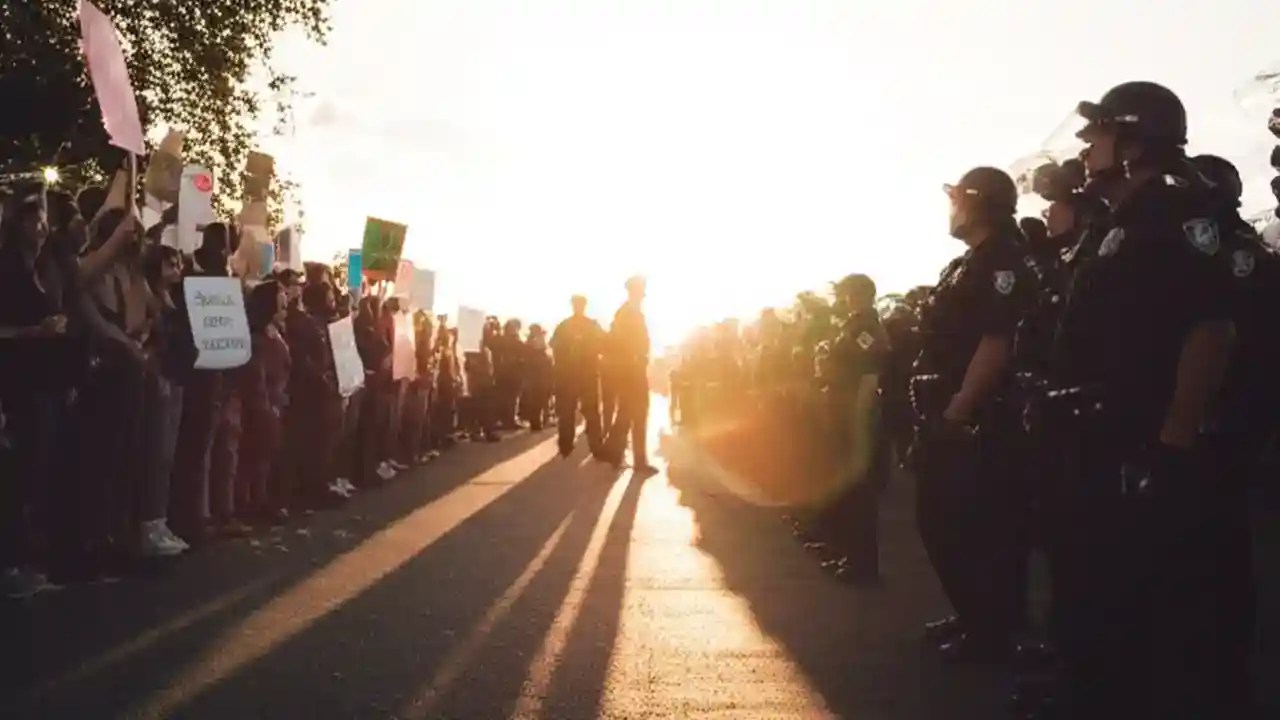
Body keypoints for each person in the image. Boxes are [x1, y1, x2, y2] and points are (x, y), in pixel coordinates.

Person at [1045, 81, 1234, 719]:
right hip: (1094, 435)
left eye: (1098, 132)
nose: (1087, 145)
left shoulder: (1174, 210)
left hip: (1139, 438)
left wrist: (1174, 446)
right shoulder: (1121, 216)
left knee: (1136, 602)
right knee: (1088, 589)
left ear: (1132, 138)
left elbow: (1209, 328)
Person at [910, 166, 1035, 663]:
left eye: (957, 198)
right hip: (951, 413)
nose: (951, 208)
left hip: (981, 420)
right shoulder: (971, 261)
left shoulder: (1003, 260)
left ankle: (994, 633)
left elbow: (996, 341)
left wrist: (959, 411)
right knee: (945, 523)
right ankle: (976, 617)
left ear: (977, 203)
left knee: (977, 528)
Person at [814, 273, 891, 585]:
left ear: (860, 295)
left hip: (853, 416)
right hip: (839, 411)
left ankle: (863, 565)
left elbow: (870, 374)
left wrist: (858, 419)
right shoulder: (852, 323)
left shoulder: (868, 327)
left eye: (848, 294)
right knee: (844, 493)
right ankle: (847, 553)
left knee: (859, 495)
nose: (844, 299)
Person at [599, 276, 656, 473]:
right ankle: (632, 458)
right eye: (640, 291)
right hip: (630, 371)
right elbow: (623, 344)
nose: (642, 295)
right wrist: (636, 356)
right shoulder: (627, 314)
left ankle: (614, 451)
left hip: (629, 370)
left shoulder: (628, 313)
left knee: (628, 412)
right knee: (637, 412)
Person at [550, 295, 606, 457]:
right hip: (576, 375)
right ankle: (577, 446)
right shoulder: (582, 325)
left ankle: (575, 446)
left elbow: (603, 345)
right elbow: (604, 344)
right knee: (575, 412)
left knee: (584, 412)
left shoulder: (567, 325)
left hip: (579, 374)